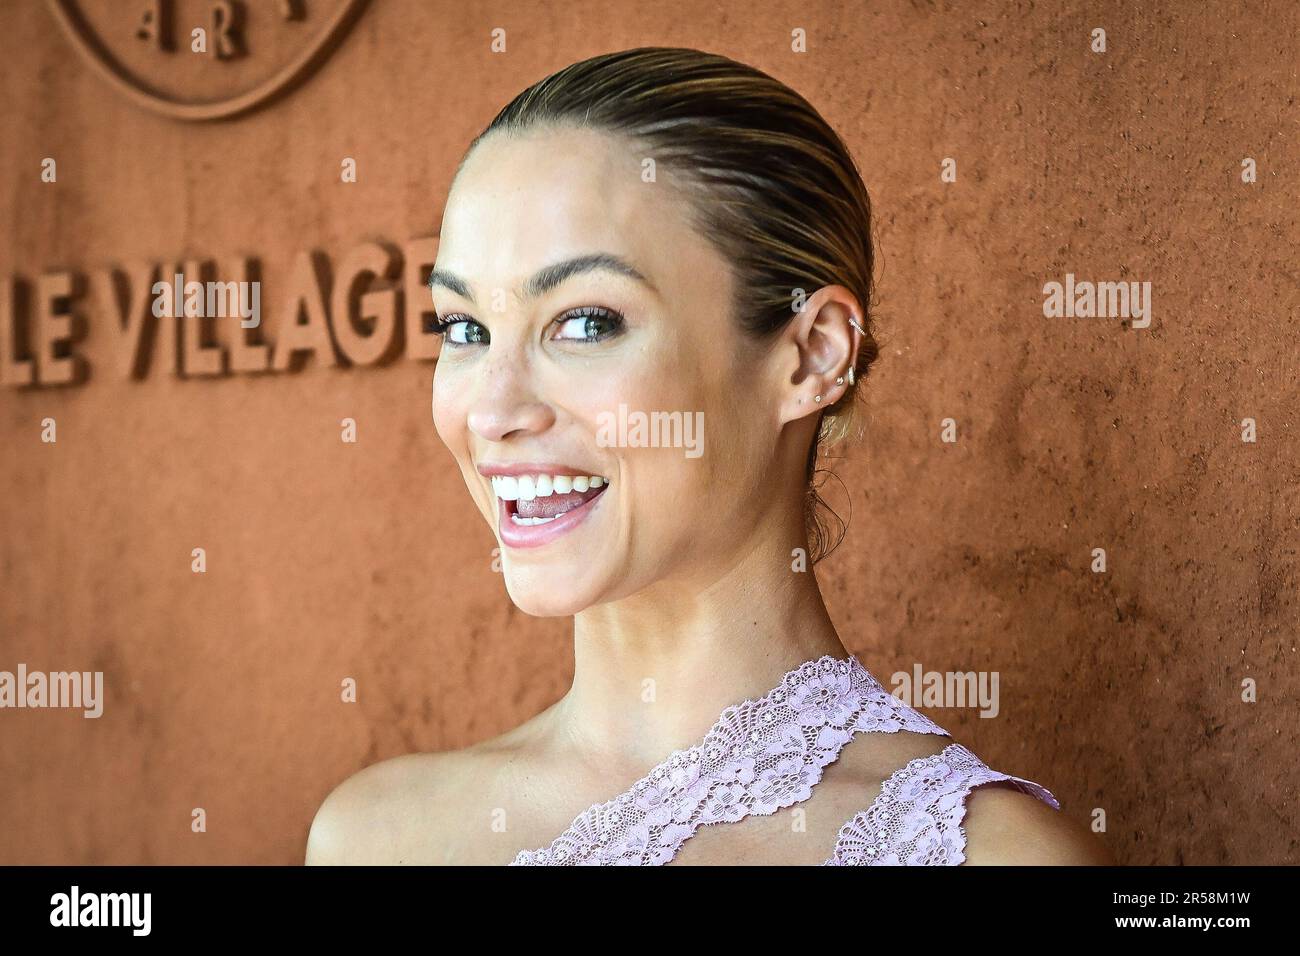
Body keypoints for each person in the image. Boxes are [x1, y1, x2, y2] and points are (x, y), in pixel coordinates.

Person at [306, 47, 1114, 866]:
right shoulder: (373, 836)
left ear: (811, 356)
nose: (494, 408)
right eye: (465, 329)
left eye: (587, 323)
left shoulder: (989, 858)